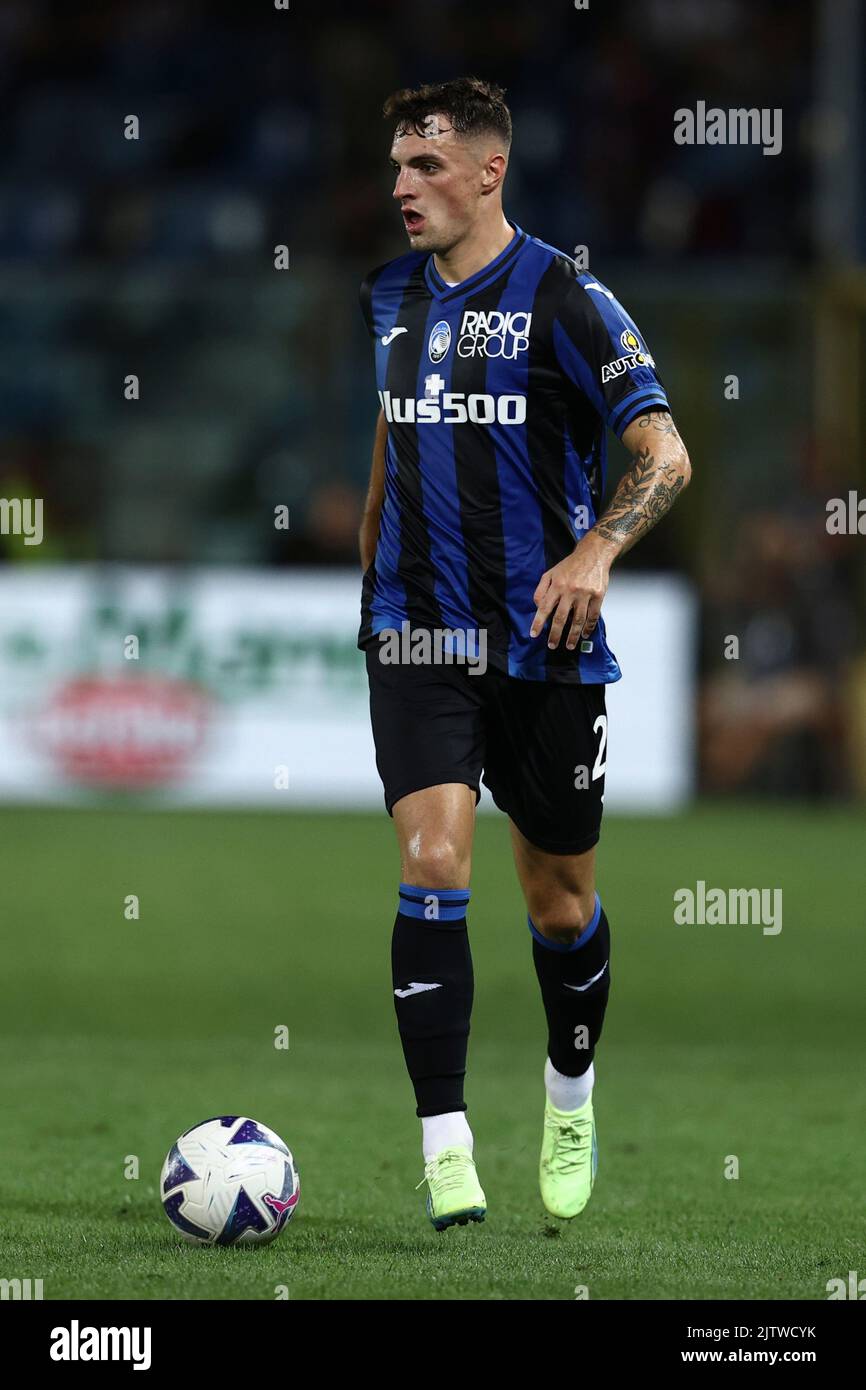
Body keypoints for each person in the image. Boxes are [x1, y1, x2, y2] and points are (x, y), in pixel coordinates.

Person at [357, 77, 691, 1230]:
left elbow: (663, 454)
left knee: (557, 906)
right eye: (396, 167)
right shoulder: (388, 294)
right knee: (433, 859)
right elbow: (387, 443)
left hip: (543, 644)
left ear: (488, 172)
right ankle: (445, 1146)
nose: (402, 188)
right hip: (414, 632)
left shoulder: (567, 296)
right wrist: (370, 580)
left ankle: (567, 1092)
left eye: (425, 168)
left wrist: (595, 551)